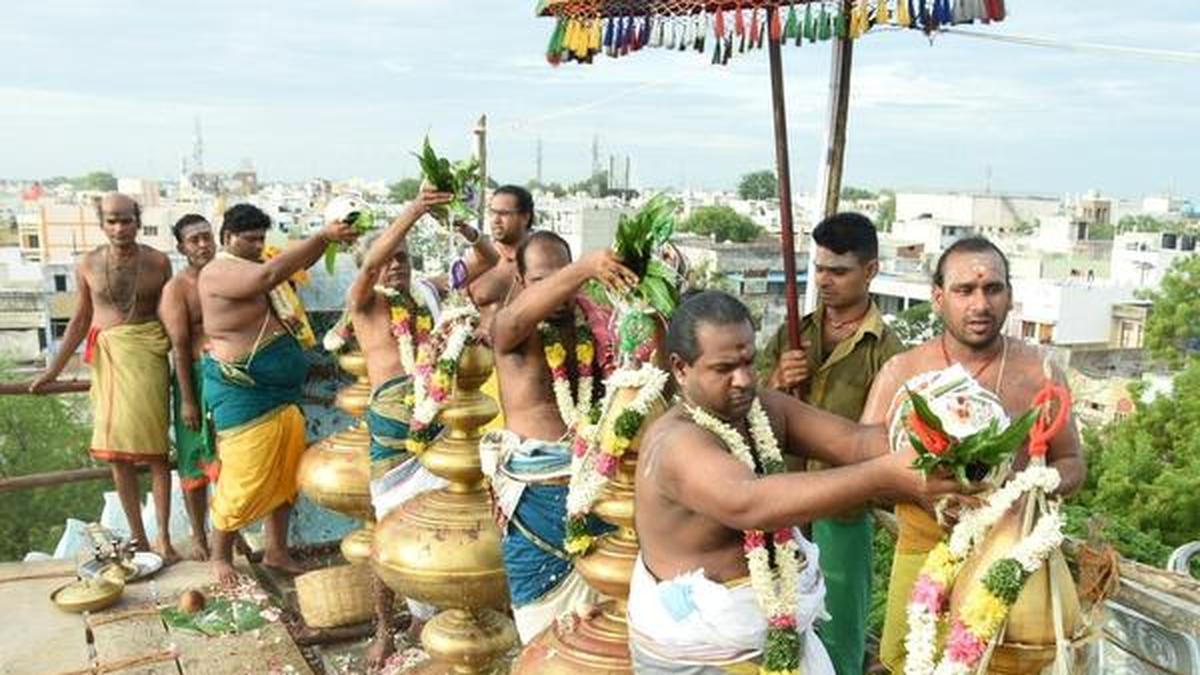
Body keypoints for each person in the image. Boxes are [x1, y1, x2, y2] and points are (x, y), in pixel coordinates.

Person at [628, 290, 959, 674]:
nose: (743, 380)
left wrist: (946, 448)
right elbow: (750, 503)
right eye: (723, 369)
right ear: (681, 369)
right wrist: (886, 474)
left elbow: (856, 442)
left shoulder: (761, 409)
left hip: (775, 630)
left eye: (749, 362)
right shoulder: (677, 442)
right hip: (705, 652)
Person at [861, 236, 1086, 673]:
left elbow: (1073, 463)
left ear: (1009, 297)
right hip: (923, 548)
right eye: (965, 291)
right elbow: (864, 471)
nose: (980, 304)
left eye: (993, 289)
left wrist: (1028, 491)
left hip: (1012, 558)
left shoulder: (1040, 371)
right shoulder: (903, 372)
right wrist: (922, 491)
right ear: (939, 298)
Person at [340, 190, 500, 669]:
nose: (395, 267)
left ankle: (446, 618)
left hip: (442, 419)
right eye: (387, 259)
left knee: (454, 514)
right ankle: (386, 630)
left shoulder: (430, 293)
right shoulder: (365, 302)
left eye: (403, 259)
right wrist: (411, 212)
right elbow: (369, 269)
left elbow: (488, 258)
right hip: (393, 427)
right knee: (390, 526)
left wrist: (460, 225)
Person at [761, 213, 904, 675]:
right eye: (819, 268)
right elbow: (746, 407)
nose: (824, 280)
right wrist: (778, 380)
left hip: (844, 510)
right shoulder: (793, 333)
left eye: (838, 271)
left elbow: (892, 439)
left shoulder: (888, 352)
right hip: (779, 502)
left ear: (870, 271)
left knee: (840, 632)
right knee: (774, 622)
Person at [483, 232, 636, 642]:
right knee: (542, 640)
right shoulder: (512, 328)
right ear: (519, 277)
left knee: (607, 632)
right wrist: (581, 268)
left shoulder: (599, 326)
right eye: (543, 280)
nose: (560, 293)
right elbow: (507, 327)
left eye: (568, 280)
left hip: (599, 489)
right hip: (537, 500)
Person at [198, 203, 358, 583]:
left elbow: (287, 266)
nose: (256, 246)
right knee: (242, 480)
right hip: (243, 394)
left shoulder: (256, 265)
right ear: (227, 238)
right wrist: (321, 236)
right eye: (248, 239)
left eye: (260, 239)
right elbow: (269, 275)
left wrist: (328, 235)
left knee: (286, 478)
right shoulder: (217, 272)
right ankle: (220, 556)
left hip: (281, 393)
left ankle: (276, 551)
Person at [31, 193, 178, 562]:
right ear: (101, 223)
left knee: (158, 452)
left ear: (137, 221)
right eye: (111, 221)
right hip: (108, 363)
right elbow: (80, 319)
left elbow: (172, 318)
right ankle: (139, 538)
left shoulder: (159, 263)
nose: (119, 228)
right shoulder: (89, 263)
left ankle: (164, 539)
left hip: (148, 356)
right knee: (118, 457)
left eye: (125, 220)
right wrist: (53, 370)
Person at [159, 214, 219, 560]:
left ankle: (227, 530)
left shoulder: (226, 275)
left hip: (228, 377)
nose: (202, 245)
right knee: (195, 458)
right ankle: (199, 536)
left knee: (227, 458)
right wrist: (188, 402)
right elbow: (180, 346)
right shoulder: (177, 289)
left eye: (206, 237)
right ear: (182, 247)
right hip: (193, 379)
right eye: (194, 240)